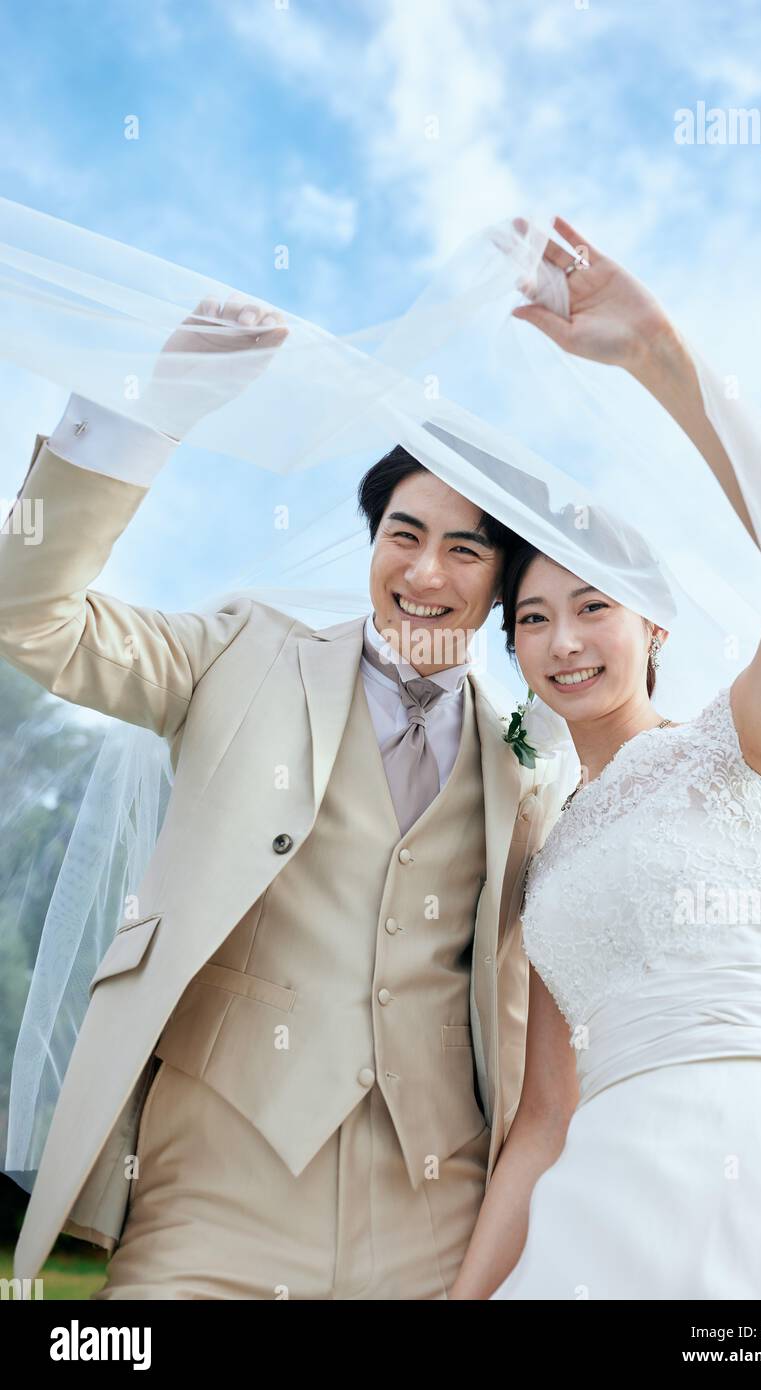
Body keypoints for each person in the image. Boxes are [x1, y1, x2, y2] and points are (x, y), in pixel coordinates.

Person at [0, 297, 570, 1299]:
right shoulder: (237, 650)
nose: (425, 571)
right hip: (215, 1187)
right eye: (404, 533)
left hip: (439, 1201)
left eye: (466, 550)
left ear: (499, 586)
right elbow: (30, 617)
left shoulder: (529, 760)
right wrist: (155, 405)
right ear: (372, 538)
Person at [448, 219, 761, 1300]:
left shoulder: (737, 751)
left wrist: (660, 358)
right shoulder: (544, 859)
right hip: (605, 1206)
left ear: (656, 628)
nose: (566, 639)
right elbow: (543, 1123)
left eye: (594, 605)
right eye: (533, 618)